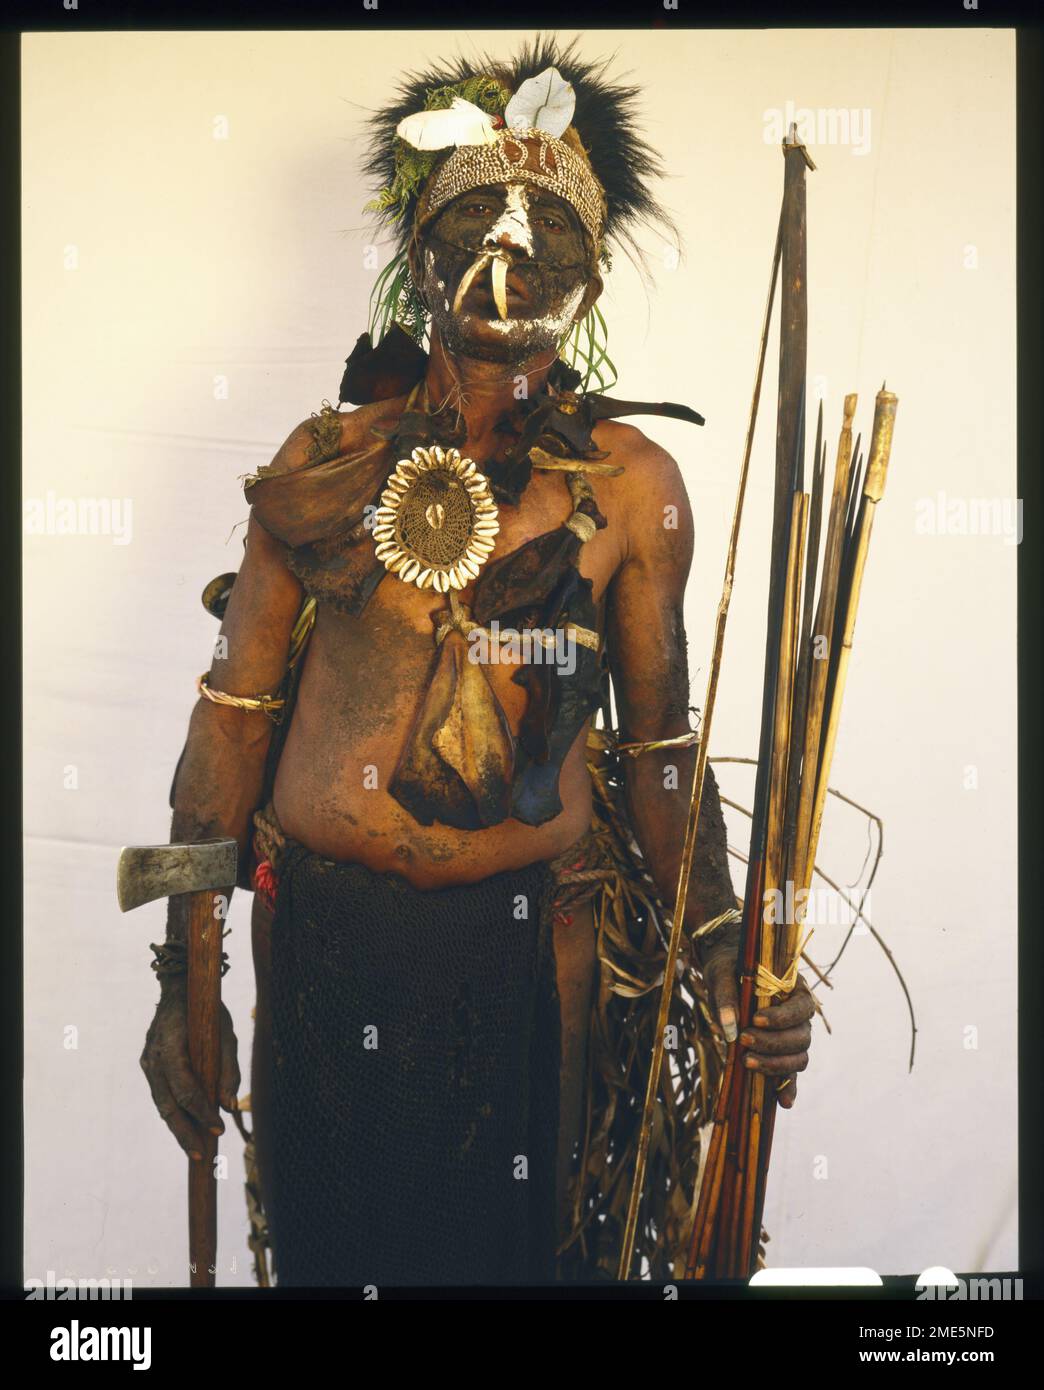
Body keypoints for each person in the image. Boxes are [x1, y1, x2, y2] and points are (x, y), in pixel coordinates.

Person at [140, 37, 814, 1286]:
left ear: (591, 281)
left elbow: (662, 752)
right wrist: (186, 977)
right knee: (335, 1258)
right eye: (476, 225)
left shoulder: (628, 490)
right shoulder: (329, 463)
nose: (508, 254)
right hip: (322, 947)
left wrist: (723, 946)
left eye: (546, 236)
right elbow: (230, 723)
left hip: (522, 958)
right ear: (417, 260)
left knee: (514, 1258)